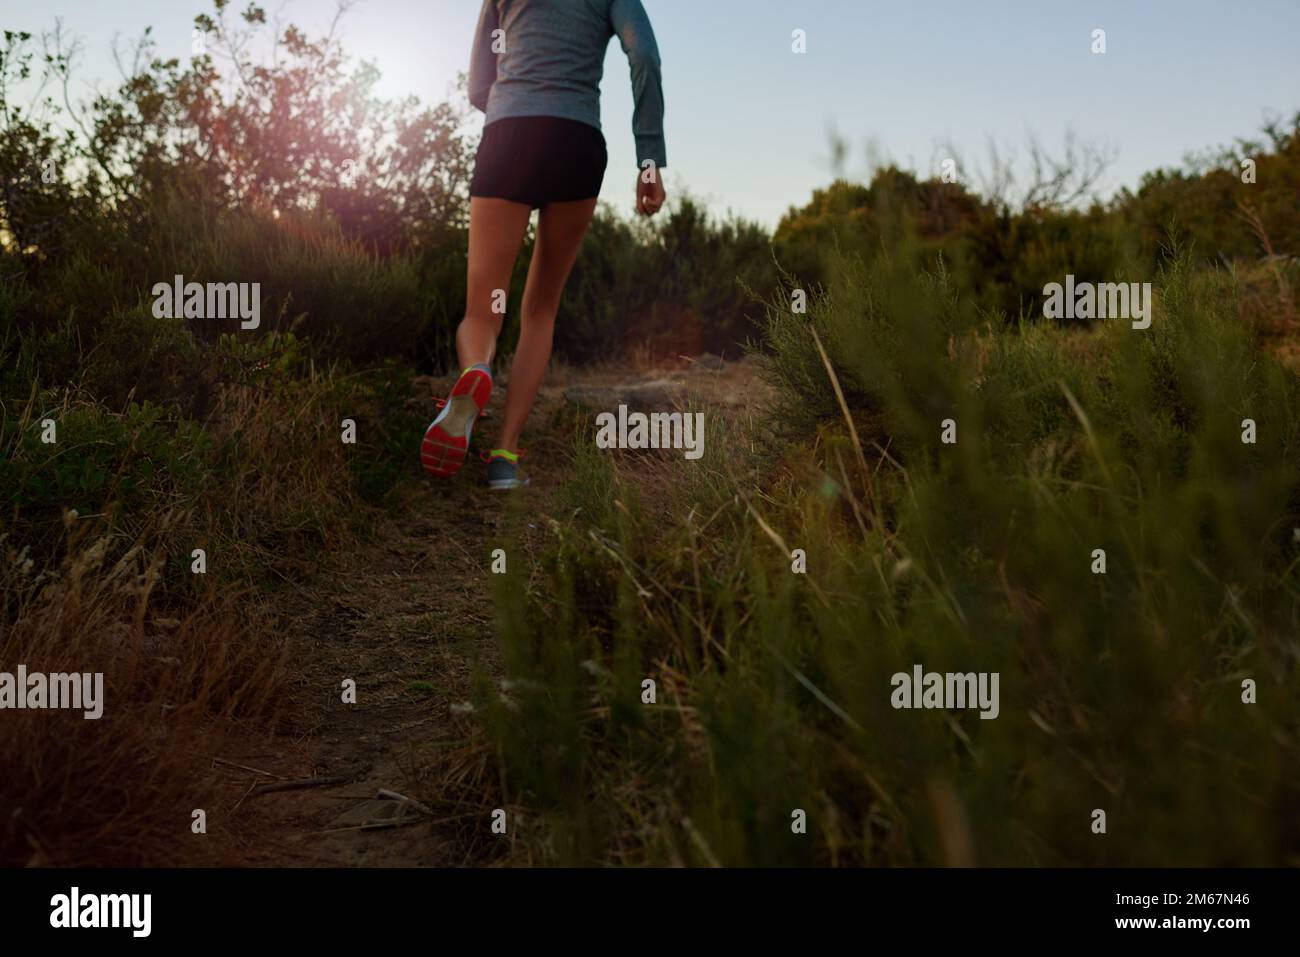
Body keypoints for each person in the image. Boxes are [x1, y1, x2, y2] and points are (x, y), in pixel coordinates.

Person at [421, 0, 668, 489]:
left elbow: (477, 84)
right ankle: (505, 457)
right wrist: (649, 158)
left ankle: (476, 372)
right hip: (575, 143)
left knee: (483, 311)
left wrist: (514, 105)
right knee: (540, 311)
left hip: (510, 135)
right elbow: (645, 57)